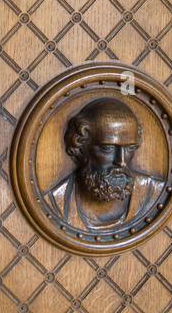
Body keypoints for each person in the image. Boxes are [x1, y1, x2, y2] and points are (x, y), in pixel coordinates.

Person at [45, 97, 164, 235]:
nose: (121, 162)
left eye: (130, 148)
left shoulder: (153, 193)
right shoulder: (55, 202)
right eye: (108, 148)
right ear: (81, 146)